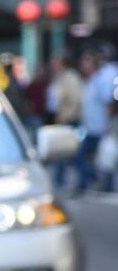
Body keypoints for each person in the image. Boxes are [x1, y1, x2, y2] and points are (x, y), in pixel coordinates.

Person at [78, 46, 118, 194]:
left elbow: (108, 102)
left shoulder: (103, 78)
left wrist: (109, 124)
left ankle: (99, 183)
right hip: (91, 126)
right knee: (97, 156)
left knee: (100, 155)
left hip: (101, 126)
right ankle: (94, 182)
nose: (83, 65)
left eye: (86, 62)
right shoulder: (92, 80)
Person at [46, 55, 84, 191]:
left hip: (69, 120)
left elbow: (75, 99)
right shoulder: (59, 77)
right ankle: (59, 180)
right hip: (62, 119)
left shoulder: (70, 77)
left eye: (55, 62)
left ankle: (85, 178)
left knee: (73, 152)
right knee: (61, 152)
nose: (52, 65)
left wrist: (68, 116)